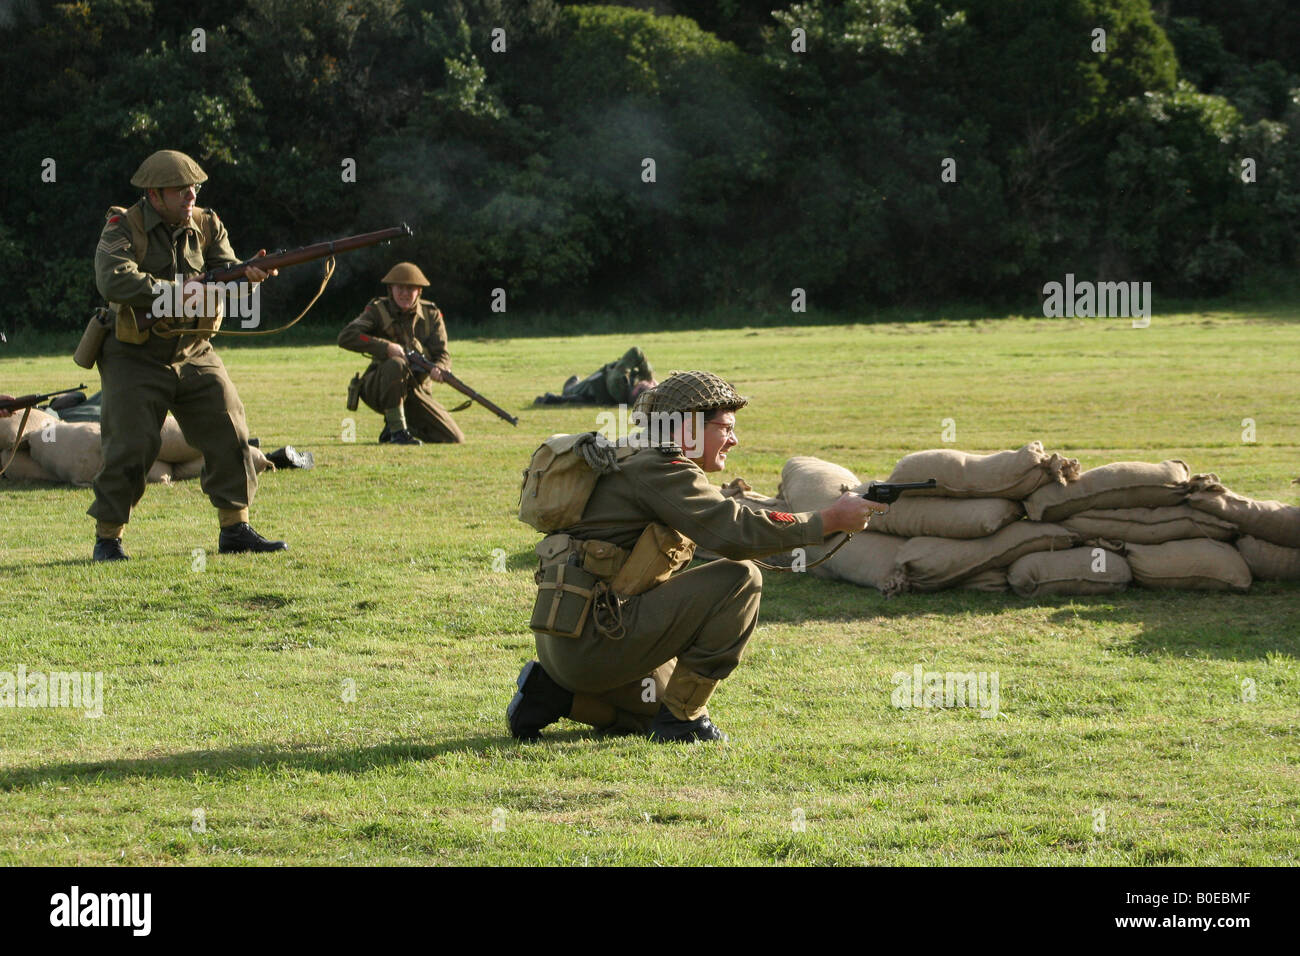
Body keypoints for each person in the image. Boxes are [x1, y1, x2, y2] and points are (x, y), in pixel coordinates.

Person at [507, 370, 887, 743]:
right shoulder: (659, 466)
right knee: (740, 578)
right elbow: (734, 532)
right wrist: (829, 519)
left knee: (652, 707)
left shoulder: (633, 453)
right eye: (725, 428)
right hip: (596, 642)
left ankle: (552, 696)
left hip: (565, 645)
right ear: (687, 426)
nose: (734, 440)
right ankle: (684, 722)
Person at [90, 149, 286, 562]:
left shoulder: (207, 225)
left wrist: (247, 278)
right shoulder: (122, 227)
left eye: (194, 188)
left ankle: (236, 528)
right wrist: (176, 292)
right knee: (131, 445)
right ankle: (109, 538)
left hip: (193, 349)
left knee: (230, 426)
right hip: (134, 354)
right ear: (154, 194)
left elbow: (227, 274)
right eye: (181, 190)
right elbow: (113, 280)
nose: (191, 195)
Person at [337, 263, 465, 446]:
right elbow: (346, 336)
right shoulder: (377, 310)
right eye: (400, 288)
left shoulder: (431, 314)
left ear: (419, 290)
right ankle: (397, 434)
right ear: (391, 289)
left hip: (415, 390)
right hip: (379, 387)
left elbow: (442, 354)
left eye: (410, 288)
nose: (405, 293)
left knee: (453, 438)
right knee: (396, 364)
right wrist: (385, 347)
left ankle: (397, 426)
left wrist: (440, 368)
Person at [533, 347, 656, 406]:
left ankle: (571, 389)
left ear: (636, 390)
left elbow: (636, 352)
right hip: (607, 395)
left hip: (603, 384)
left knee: (569, 391)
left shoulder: (618, 381)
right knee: (578, 398)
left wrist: (648, 377)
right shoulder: (636, 394)